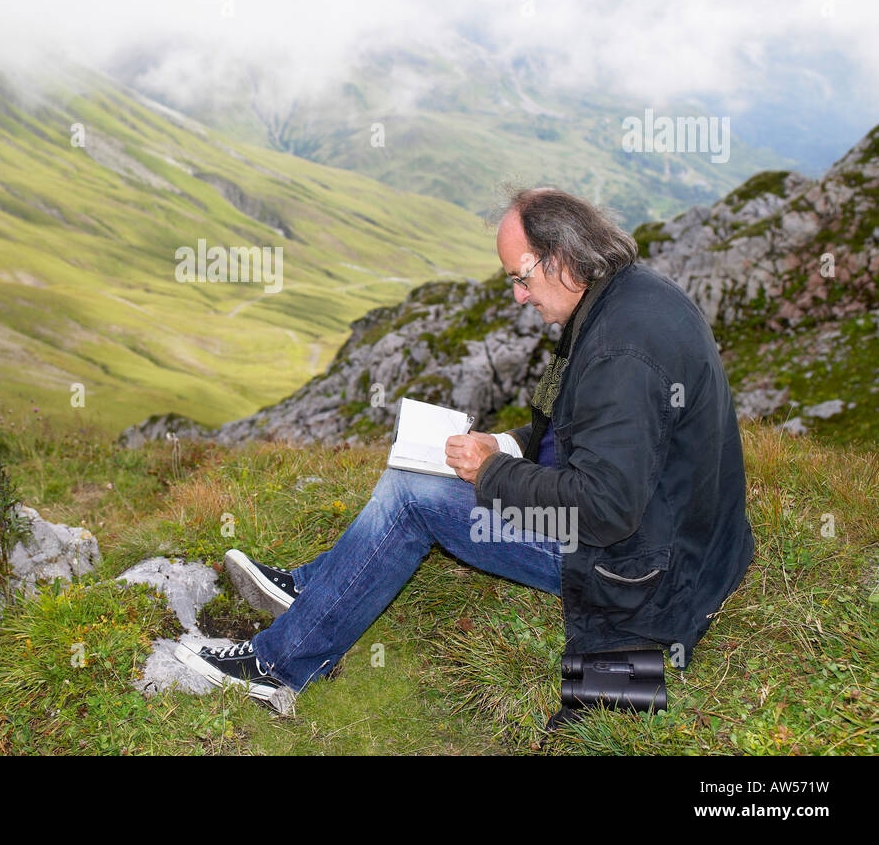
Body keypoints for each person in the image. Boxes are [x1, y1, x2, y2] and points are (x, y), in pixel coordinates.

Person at [174, 187, 756, 706]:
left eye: (521, 278)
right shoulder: (625, 297)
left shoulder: (618, 354)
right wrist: (506, 444)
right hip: (685, 540)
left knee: (410, 497)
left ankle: (277, 666)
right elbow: (584, 429)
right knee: (420, 473)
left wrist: (494, 472)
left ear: (563, 262)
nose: (518, 297)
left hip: (641, 566)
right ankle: (319, 587)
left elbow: (604, 509)